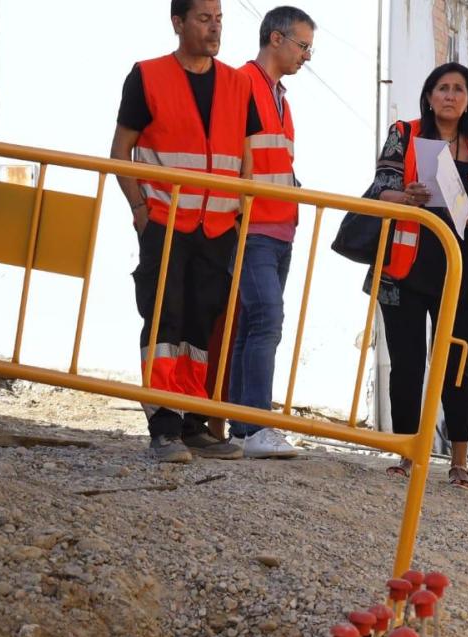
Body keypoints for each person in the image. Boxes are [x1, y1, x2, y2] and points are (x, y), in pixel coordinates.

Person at [109, 0, 262, 464]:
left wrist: (239, 211)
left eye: (219, 19)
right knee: (163, 323)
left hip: (217, 226)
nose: (215, 28)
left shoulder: (238, 83)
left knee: (200, 327)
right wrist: (139, 208)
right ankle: (164, 427)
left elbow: (246, 155)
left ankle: (193, 423)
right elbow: (120, 151)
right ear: (178, 23)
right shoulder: (147, 75)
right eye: (204, 18)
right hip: (165, 222)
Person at [369, 62, 468, 488]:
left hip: (460, 272)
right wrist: (406, 195)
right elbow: (378, 188)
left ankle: (459, 462)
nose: (449, 95)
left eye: (459, 89)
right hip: (404, 269)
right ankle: (406, 454)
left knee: (455, 366)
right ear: (428, 96)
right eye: (442, 88)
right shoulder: (404, 133)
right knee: (405, 364)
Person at [226, 5, 316, 459]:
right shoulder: (243, 83)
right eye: (303, 46)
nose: (306, 56)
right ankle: (256, 423)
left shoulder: (281, 97)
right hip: (253, 225)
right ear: (275, 39)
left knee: (251, 324)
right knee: (266, 319)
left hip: (281, 227)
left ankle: (243, 426)